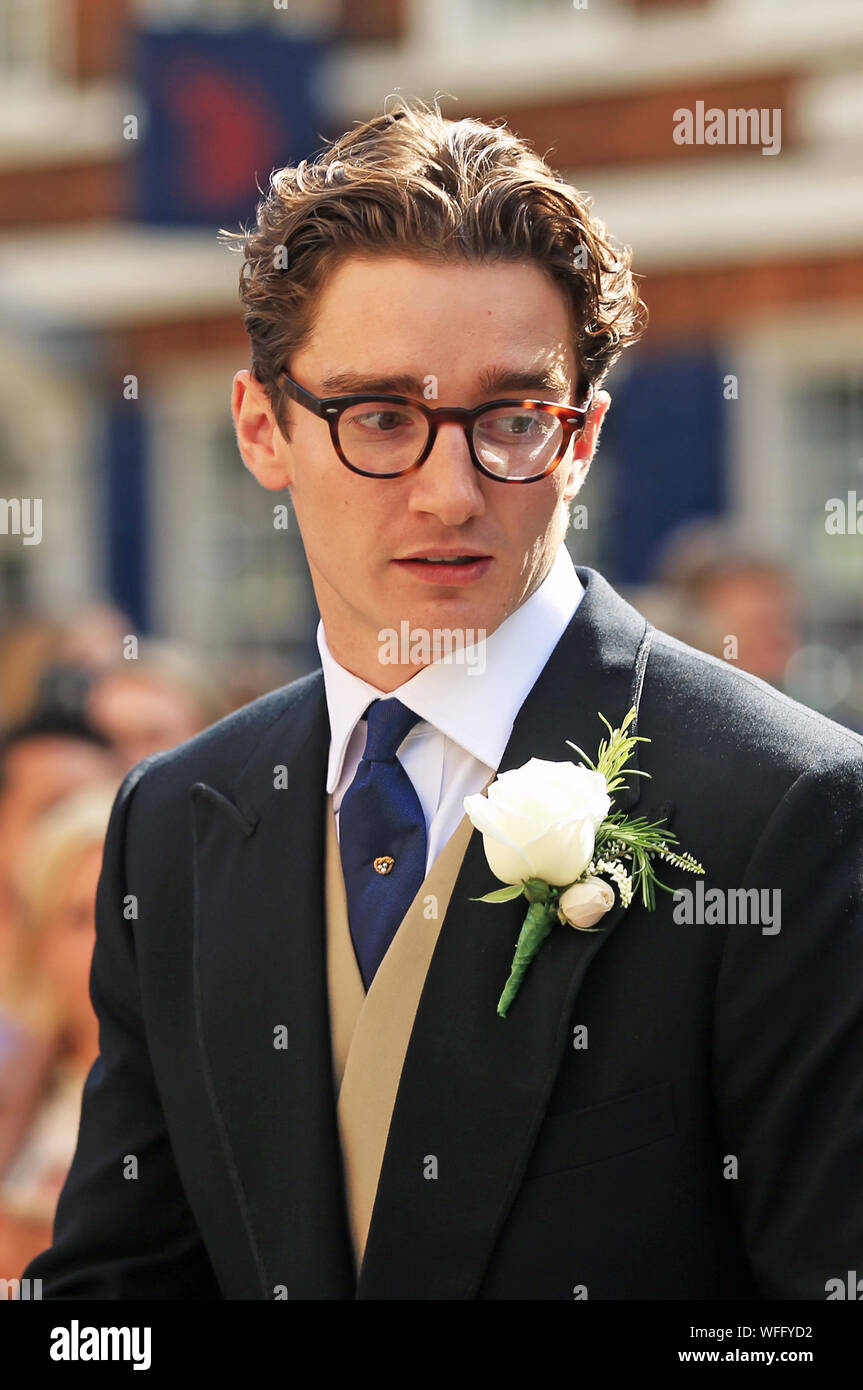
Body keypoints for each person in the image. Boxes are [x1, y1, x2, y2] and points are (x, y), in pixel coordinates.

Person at [23, 99, 863, 1300]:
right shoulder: (175, 817)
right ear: (263, 427)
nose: (448, 490)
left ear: (580, 442)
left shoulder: (790, 809)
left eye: (512, 418)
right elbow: (117, 1300)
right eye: (380, 417)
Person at [0, 784, 115, 1276]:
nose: (109, 938)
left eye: (125, 909)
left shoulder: (199, 1090)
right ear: (40, 941)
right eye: (79, 918)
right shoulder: (18, 1081)